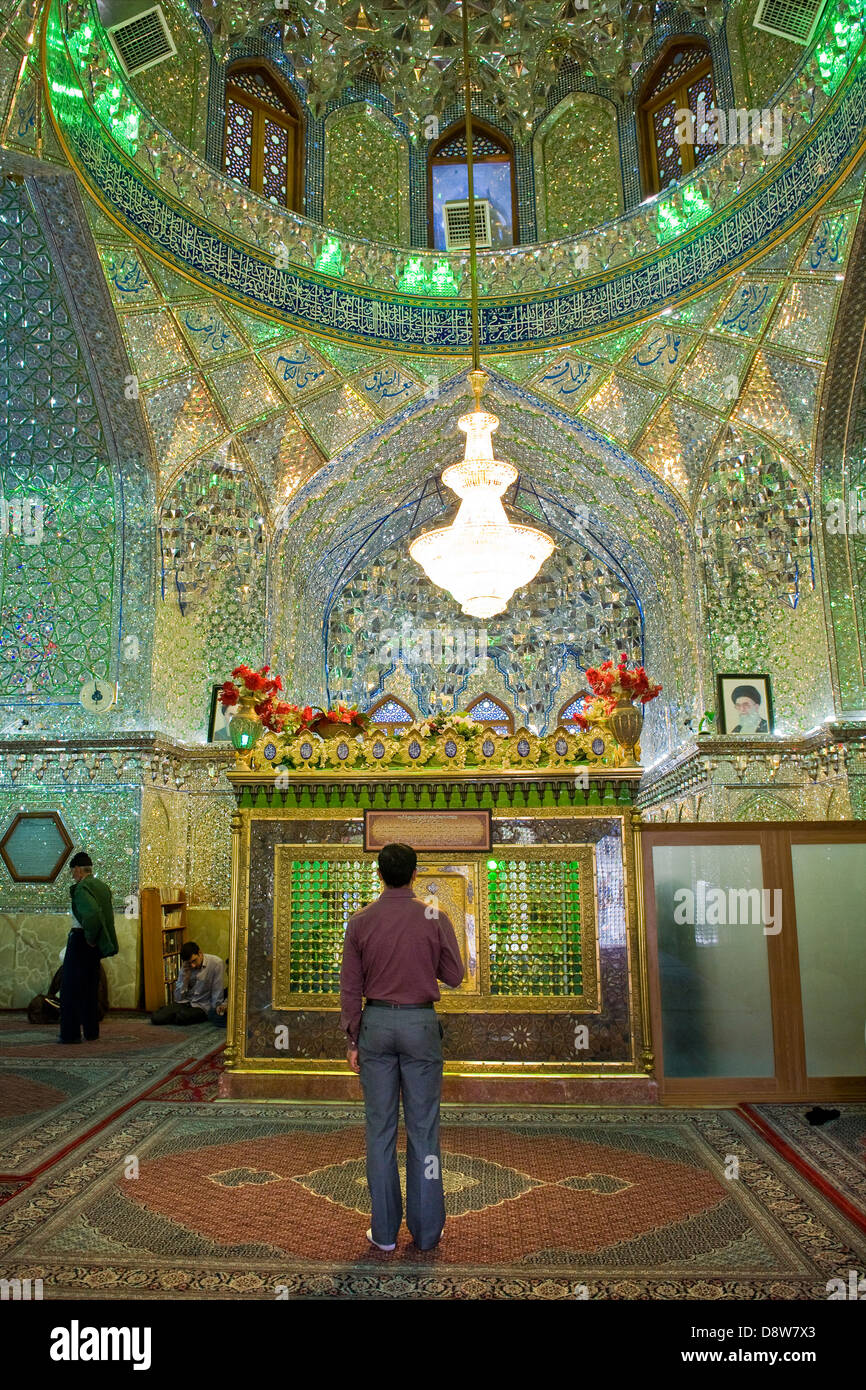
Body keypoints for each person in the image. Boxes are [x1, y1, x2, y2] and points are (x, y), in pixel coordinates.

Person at [340, 842, 464, 1253]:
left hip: (375, 1026)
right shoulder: (433, 914)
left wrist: (353, 1039)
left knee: (380, 1131)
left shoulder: (360, 921)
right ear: (414, 875)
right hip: (419, 1024)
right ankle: (427, 1232)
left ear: (379, 875)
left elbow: (350, 989)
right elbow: (455, 975)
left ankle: (385, 1232)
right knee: (423, 1130)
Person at [59, 851, 118, 1044]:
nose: (72, 876)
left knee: (70, 988)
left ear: (77, 869)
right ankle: (91, 1031)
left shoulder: (82, 888)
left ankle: (71, 1034)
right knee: (90, 987)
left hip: (81, 940)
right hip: (94, 945)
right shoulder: (101, 887)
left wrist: (90, 937)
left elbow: (92, 914)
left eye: (72, 872)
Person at [151, 942, 224, 1025]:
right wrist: (185, 979)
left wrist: (214, 1012)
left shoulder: (216, 963)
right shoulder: (186, 965)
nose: (192, 965)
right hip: (185, 1002)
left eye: (194, 961)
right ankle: (171, 1013)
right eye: (189, 963)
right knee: (156, 1018)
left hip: (202, 1005)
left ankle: (175, 1015)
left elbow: (217, 990)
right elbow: (178, 998)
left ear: (200, 953)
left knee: (182, 1017)